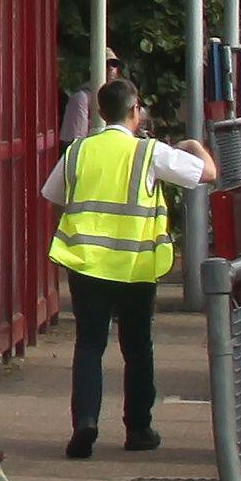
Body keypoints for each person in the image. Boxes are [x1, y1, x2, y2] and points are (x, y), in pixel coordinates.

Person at [36, 80, 215, 459]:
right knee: (137, 349)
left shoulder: (80, 150)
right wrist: (192, 145)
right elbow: (208, 173)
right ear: (136, 112)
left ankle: (85, 422)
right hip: (134, 268)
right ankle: (138, 428)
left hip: (86, 265)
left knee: (88, 345)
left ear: (101, 113)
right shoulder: (150, 153)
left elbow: (53, 197)